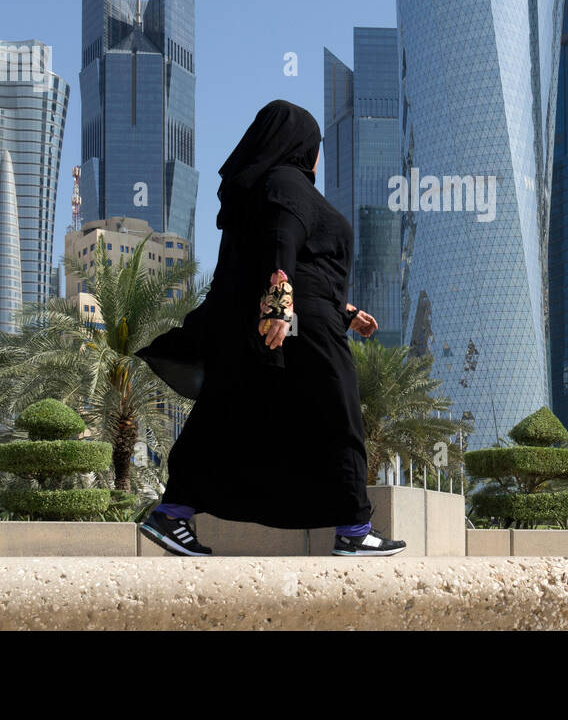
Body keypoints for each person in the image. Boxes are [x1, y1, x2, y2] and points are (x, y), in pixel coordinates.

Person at [134, 99, 406, 558]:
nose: (318, 155)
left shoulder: (265, 189)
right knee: (341, 416)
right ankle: (354, 529)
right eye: (316, 144)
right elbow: (284, 243)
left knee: (231, 416)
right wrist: (280, 306)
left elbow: (295, 264)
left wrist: (344, 311)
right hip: (300, 327)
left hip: (294, 321)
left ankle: (173, 512)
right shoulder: (285, 183)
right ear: (302, 145)